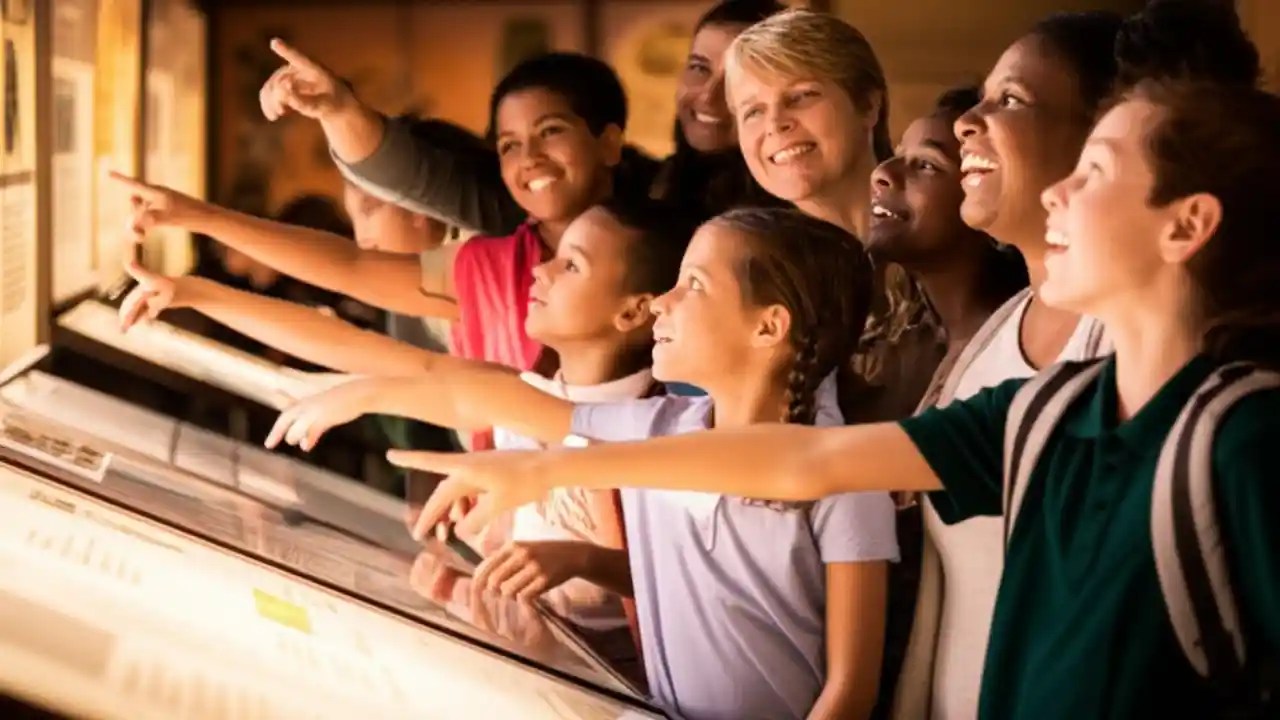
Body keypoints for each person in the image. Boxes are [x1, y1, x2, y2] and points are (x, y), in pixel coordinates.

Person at [400, 80, 1280, 720]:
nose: (1055, 191)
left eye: (1092, 172)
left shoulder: (1245, 439)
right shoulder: (1043, 411)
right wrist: (542, 466)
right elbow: (808, 461)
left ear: (1187, 224)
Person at [272, 208, 898, 720]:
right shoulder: (656, 429)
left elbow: (850, 691)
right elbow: (492, 393)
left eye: (695, 286)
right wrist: (367, 391)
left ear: (770, 327)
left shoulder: (846, 478)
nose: (663, 303)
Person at [114, 53, 632, 447]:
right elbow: (353, 275)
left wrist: (370, 392)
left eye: (552, 132)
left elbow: (463, 391)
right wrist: (196, 269)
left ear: (610, 142)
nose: (531, 159)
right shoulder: (496, 265)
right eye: (509, 145)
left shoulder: (652, 259)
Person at [262, 1, 786, 238]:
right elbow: (423, 176)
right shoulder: (628, 197)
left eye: (742, 73)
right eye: (698, 68)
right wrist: (336, 109)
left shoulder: (806, 213)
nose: (711, 95)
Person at [863, 86, 1029, 718]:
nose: (886, 171)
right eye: (898, 154)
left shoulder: (1011, 360)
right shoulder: (907, 350)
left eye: (926, 164)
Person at [721, 8, 939, 423]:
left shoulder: (944, 239)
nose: (776, 123)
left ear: (868, 106)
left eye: (801, 96)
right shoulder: (754, 276)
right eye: (752, 111)